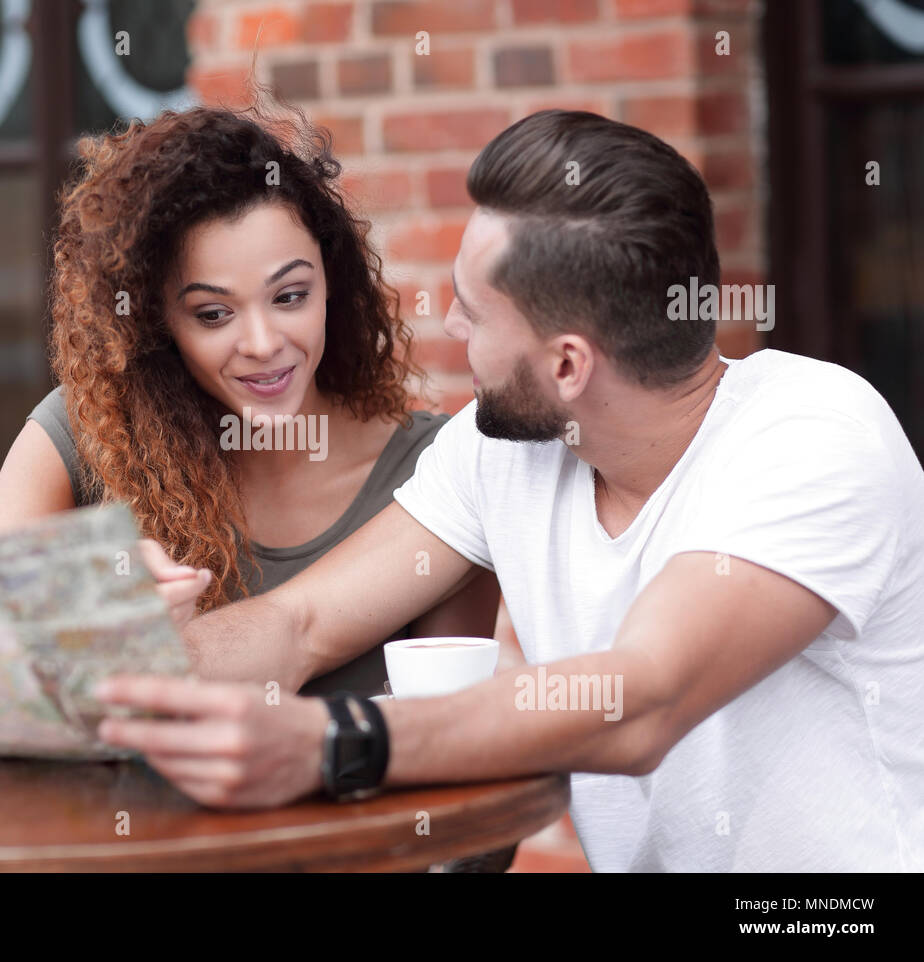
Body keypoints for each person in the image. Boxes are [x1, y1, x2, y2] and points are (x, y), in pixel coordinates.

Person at [92, 110, 924, 872]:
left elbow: (640, 699)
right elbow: (301, 623)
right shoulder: (506, 453)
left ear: (567, 364)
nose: (449, 328)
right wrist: (123, 668)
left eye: (472, 312)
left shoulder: (814, 438)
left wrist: (327, 741)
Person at [0, 102, 505, 698]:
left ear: (332, 281)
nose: (263, 344)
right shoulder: (82, 433)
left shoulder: (437, 470)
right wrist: (68, 605)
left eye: (290, 296)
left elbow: (447, 721)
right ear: (156, 322)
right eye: (214, 313)